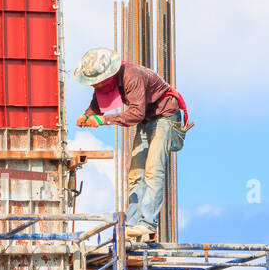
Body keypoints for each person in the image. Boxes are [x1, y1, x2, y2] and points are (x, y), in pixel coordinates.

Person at [74, 47, 191, 242]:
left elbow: (136, 113)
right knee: (136, 173)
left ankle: (147, 223)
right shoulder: (107, 85)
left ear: (107, 76)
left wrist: (103, 121)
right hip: (147, 118)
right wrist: (87, 115)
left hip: (164, 116)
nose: (95, 86)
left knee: (153, 170)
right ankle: (132, 221)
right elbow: (98, 103)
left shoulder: (132, 76)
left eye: (97, 82)